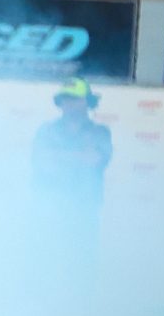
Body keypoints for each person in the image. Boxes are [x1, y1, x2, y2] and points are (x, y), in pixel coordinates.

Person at [31, 77, 113, 263]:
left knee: (81, 265)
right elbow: (42, 160)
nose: (70, 104)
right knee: (41, 264)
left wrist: (58, 154)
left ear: (88, 103)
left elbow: (93, 160)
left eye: (75, 99)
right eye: (65, 99)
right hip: (47, 210)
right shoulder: (46, 130)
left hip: (84, 210)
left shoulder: (101, 132)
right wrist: (78, 155)